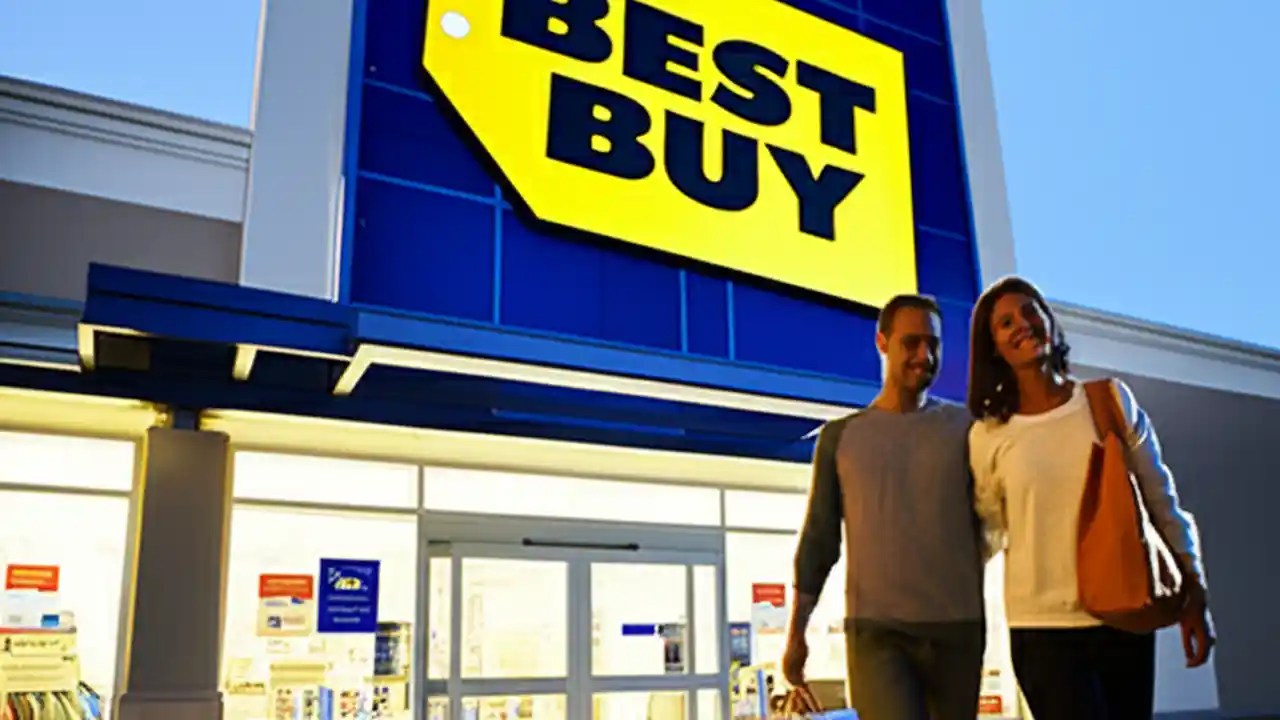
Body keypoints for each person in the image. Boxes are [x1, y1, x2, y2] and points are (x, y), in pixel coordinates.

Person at [966, 276, 1214, 720]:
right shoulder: (988, 435)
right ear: (994, 347)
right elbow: (988, 531)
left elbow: (1161, 501)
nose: (1022, 324)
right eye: (1005, 323)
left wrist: (1194, 594)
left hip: (1124, 616)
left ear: (1048, 321)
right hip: (1041, 630)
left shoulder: (1109, 401)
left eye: (1029, 311)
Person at [782, 295, 986, 720]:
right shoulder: (841, 439)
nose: (924, 356)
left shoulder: (967, 430)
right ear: (882, 342)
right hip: (878, 635)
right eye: (911, 343)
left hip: (958, 631)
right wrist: (796, 633)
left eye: (933, 344)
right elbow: (819, 540)